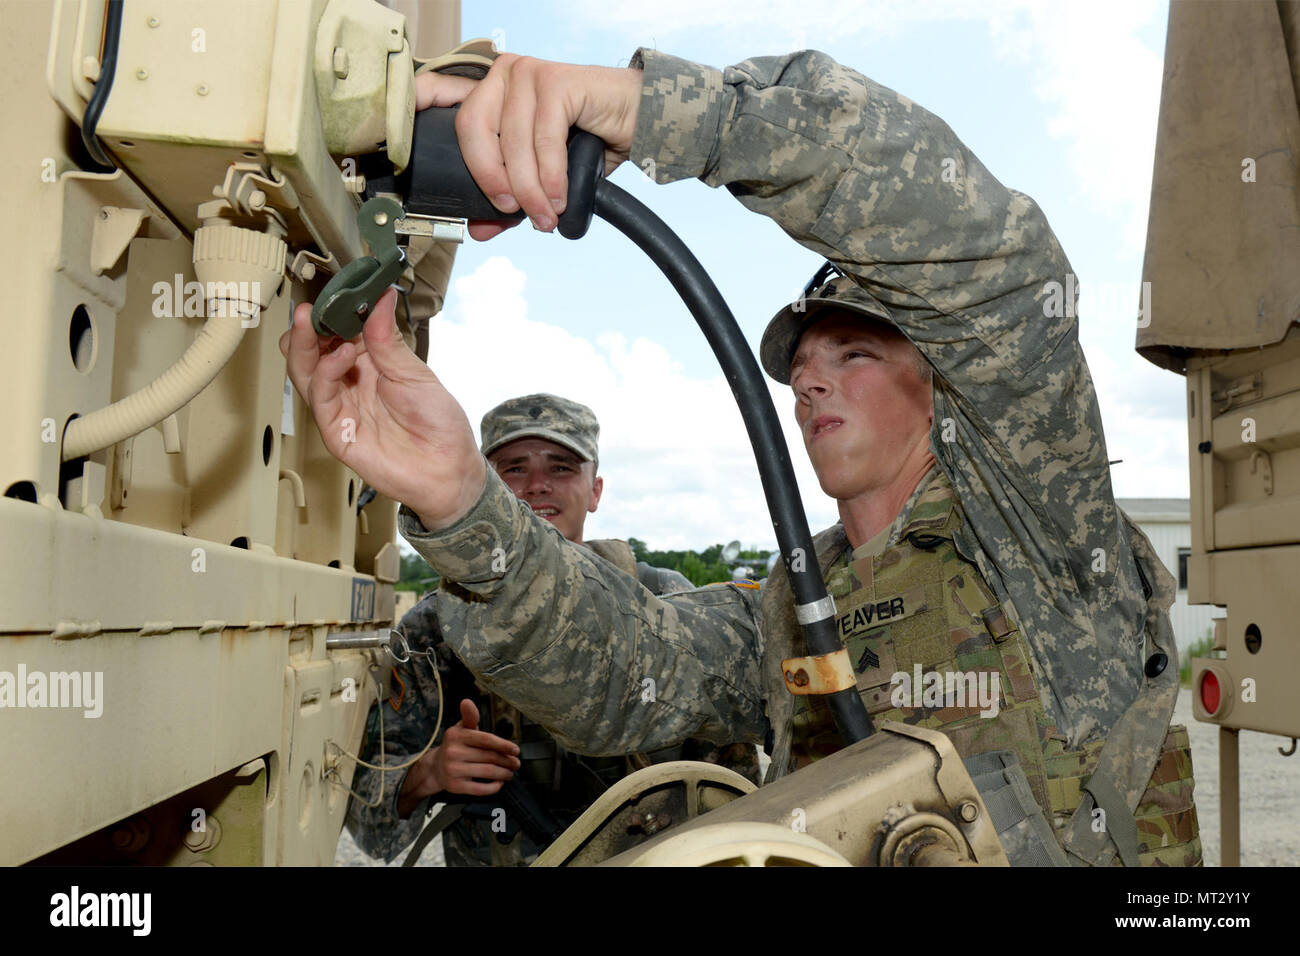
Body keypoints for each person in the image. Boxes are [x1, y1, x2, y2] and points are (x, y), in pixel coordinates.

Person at [284, 48, 1198, 866]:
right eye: (802, 369)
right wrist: (461, 503)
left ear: (939, 375)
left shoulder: (1040, 539)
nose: (810, 385)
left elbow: (995, 264)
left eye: (854, 355)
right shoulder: (793, 609)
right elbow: (623, 669)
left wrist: (665, 115)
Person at [343, 393, 757, 865]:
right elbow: (367, 827)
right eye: (513, 469)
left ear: (595, 490)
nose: (538, 485)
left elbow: (737, 791)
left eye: (561, 467)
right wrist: (429, 772)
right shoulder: (435, 628)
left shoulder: (664, 602)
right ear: (483, 487)